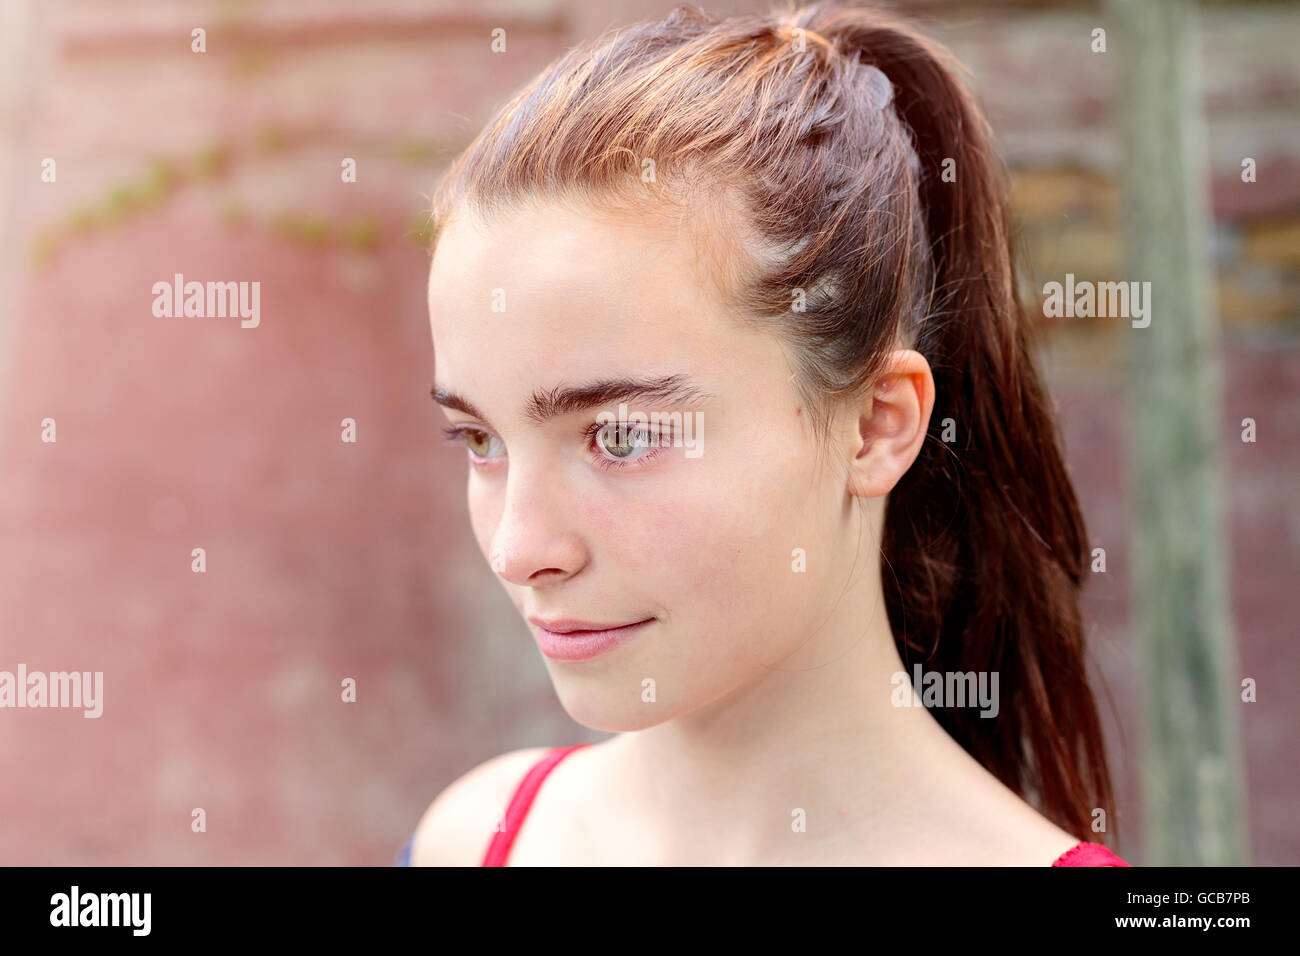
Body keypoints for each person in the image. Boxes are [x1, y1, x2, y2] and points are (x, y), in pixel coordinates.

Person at [402, 1, 1129, 866]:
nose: (520, 550)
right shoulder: (473, 841)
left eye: (621, 438)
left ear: (874, 424)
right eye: (480, 441)